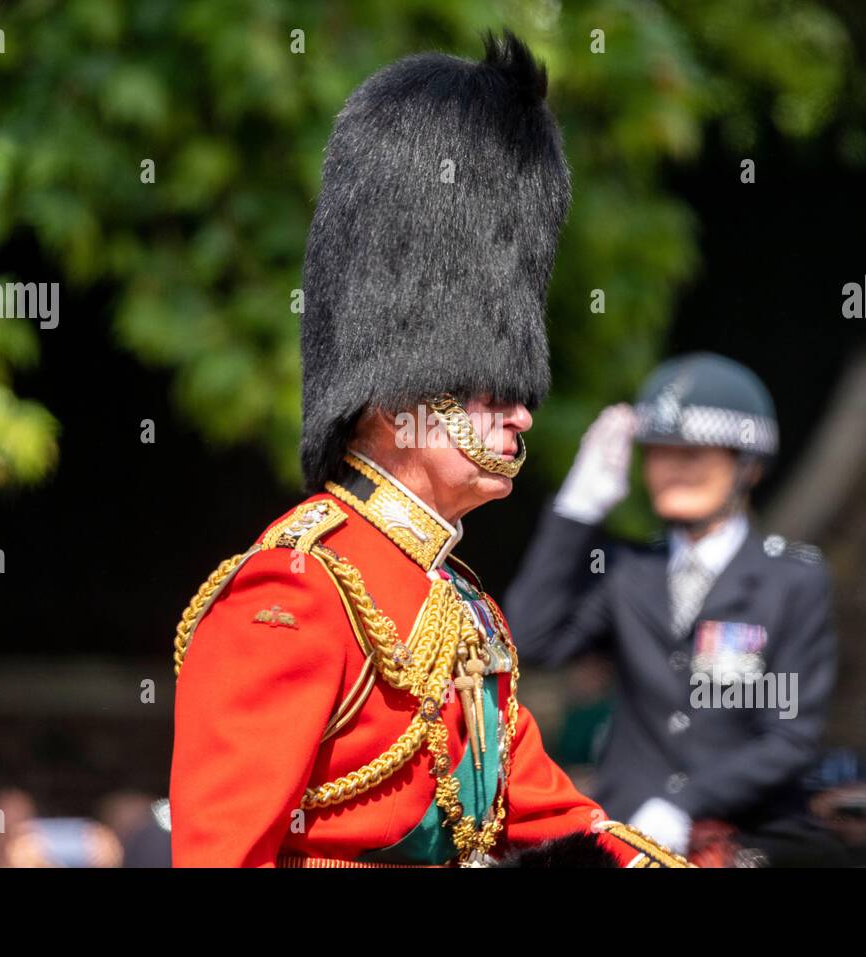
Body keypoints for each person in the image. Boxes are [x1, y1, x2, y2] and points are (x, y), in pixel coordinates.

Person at [168, 31, 687, 869]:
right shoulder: (295, 590)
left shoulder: (467, 610)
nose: (521, 415)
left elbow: (563, 822)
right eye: (489, 386)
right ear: (396, 392)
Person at [505, 352, 838, 864]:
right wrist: (577, 509)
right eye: (660, 451)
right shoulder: (627, 571)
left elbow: (790, 738)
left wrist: (683, 804)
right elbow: (529, 639)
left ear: (746, 465)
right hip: (626, 831)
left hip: (740, 832)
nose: (672, 468)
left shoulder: (791, 580)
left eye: (694, 453)